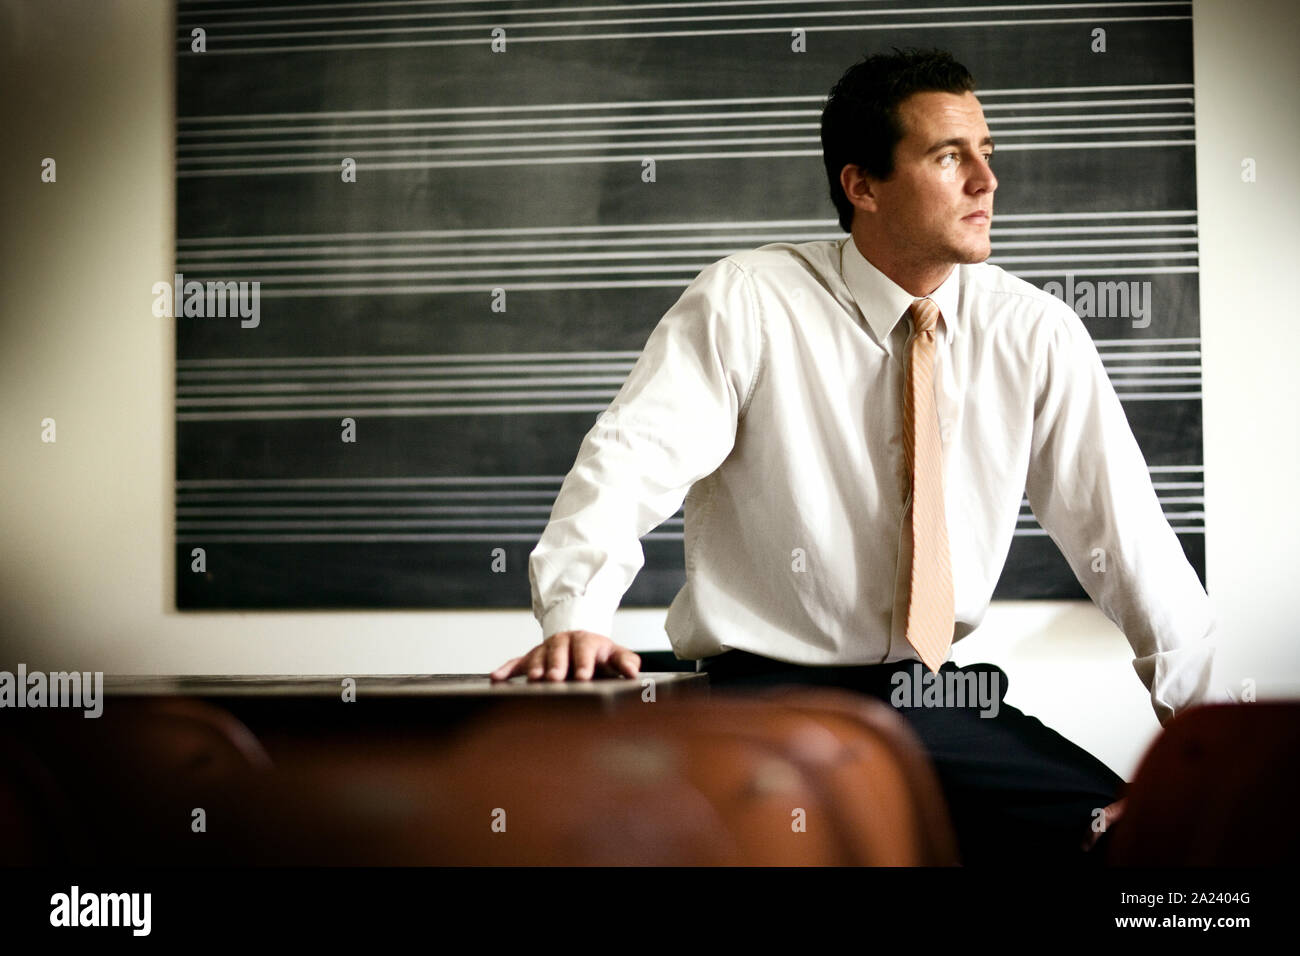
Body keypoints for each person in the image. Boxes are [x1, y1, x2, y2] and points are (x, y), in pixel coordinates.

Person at [490, 47, 1216, 865]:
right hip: (762, 694)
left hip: (936, 697)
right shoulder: (750, 301)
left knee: (1142, 850)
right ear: (861, 185)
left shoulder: (1036, 332)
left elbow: (1131, 547)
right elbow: (627, 462)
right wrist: (577, 618)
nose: (987, 180)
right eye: (950, 157)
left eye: (988, 152)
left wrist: (1209, 756)